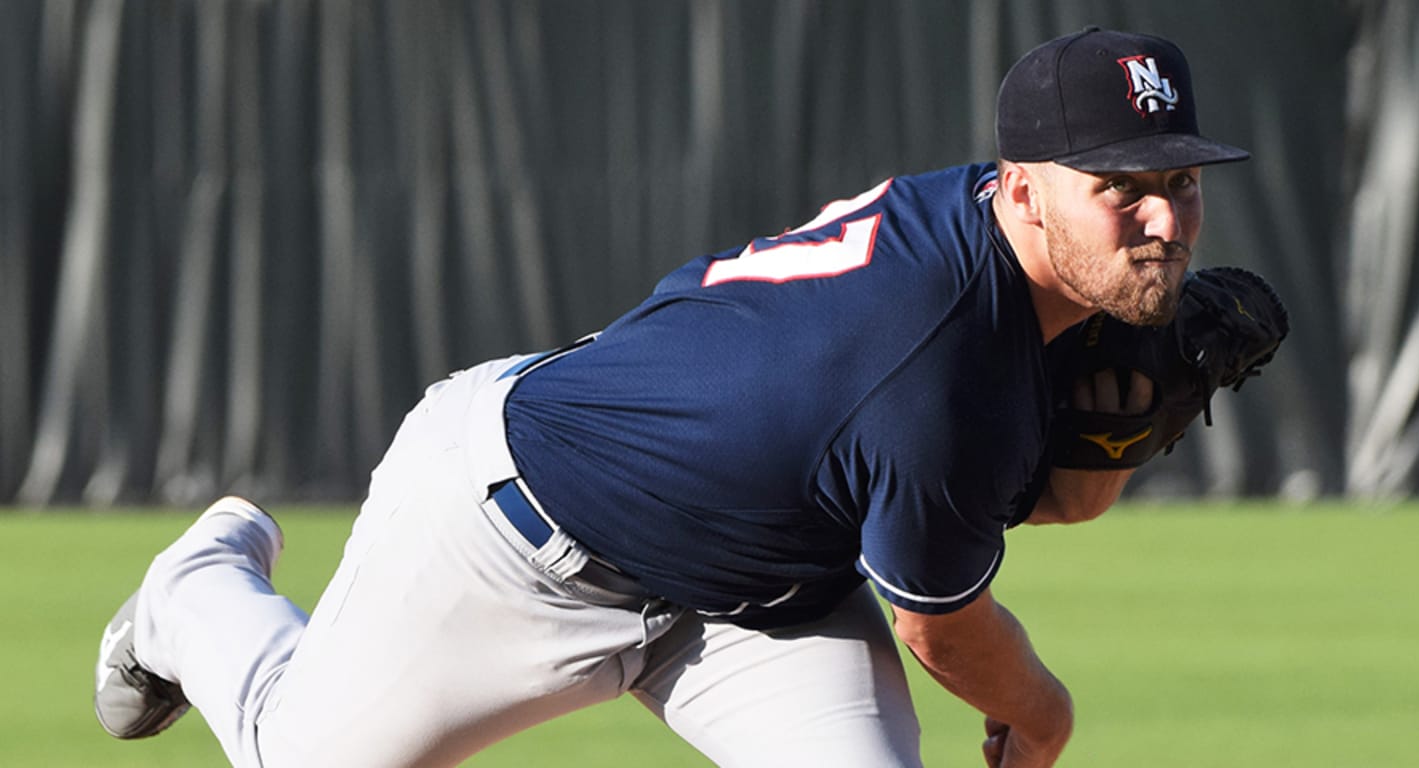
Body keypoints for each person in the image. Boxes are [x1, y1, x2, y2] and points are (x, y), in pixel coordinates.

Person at [94, 27, 1249, 768]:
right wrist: (1044, 714)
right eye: (1120, 188)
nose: (1164, 219)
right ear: (1022, 189)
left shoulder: (1003, 251)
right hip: (516, 533)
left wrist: (1101, 443)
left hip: (756, 598)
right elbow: (942, 627)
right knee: (294, 754)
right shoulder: (932, 367)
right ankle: (196, 586)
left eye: (1181, 184)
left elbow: (1033, 481)